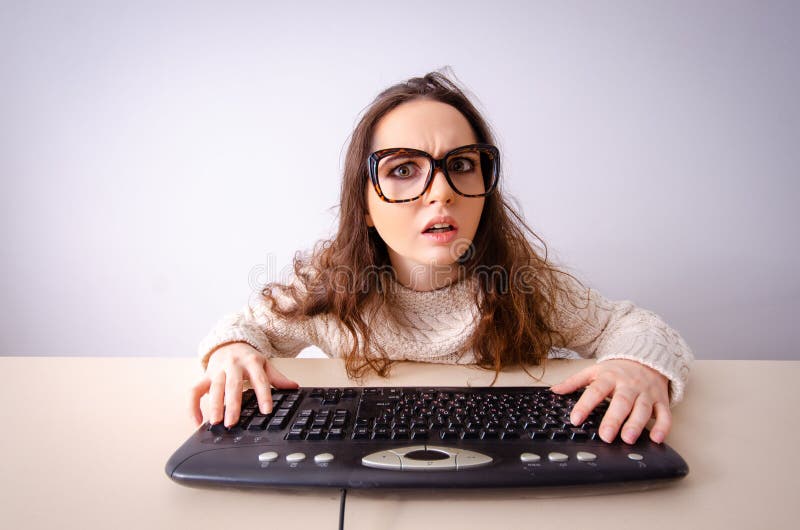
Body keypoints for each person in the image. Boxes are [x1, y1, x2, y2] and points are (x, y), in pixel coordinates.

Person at [189, 71, 693, 446]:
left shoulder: (524, 285)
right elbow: (244, 327)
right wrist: (231, 351)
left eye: (461, 165)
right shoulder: (331, 286)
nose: (441, 193)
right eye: (404, 169)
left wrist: (634, 364)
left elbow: (632, 324)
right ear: (364, 205)